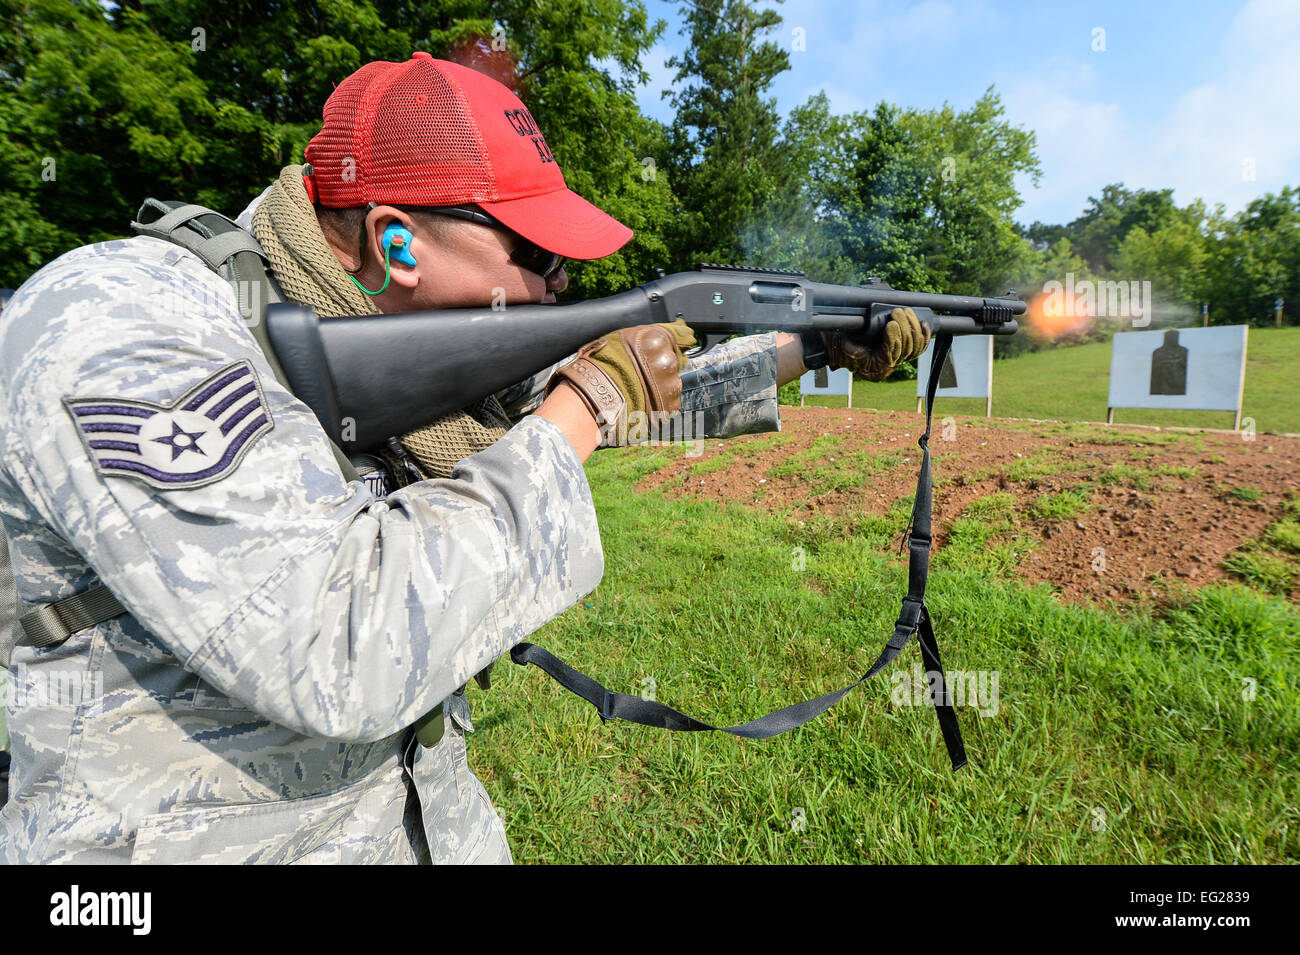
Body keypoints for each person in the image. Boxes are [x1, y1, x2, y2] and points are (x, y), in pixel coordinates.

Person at [0, 53, 928, 863]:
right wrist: (586, 403)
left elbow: (630, 406)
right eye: (536, 253)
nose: (559, 285)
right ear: (395, 239)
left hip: (419, 822)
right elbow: (335, 642)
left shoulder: (381, 323)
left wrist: (813, 346)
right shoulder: (124, 326)